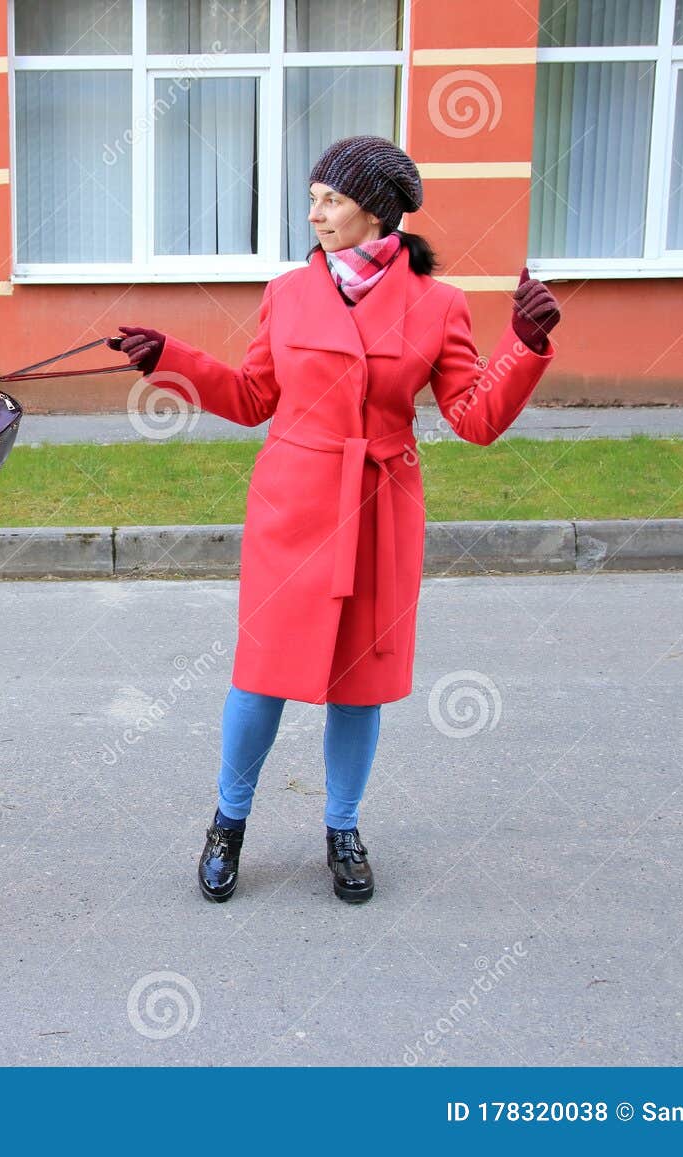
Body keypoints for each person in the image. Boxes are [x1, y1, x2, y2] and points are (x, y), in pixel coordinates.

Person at [113, 136, 562, 905]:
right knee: (260, 679)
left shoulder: (438, 305)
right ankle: (228, 822)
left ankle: (343, 828)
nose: (315, 212)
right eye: (314, 196)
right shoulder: (287, 293)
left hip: (382, 507)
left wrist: (524, 344)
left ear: (376, 210)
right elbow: (254, 395)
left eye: (331, 198)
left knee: (361, 684)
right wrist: (171, 358)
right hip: (294, 503)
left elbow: (473, 416)